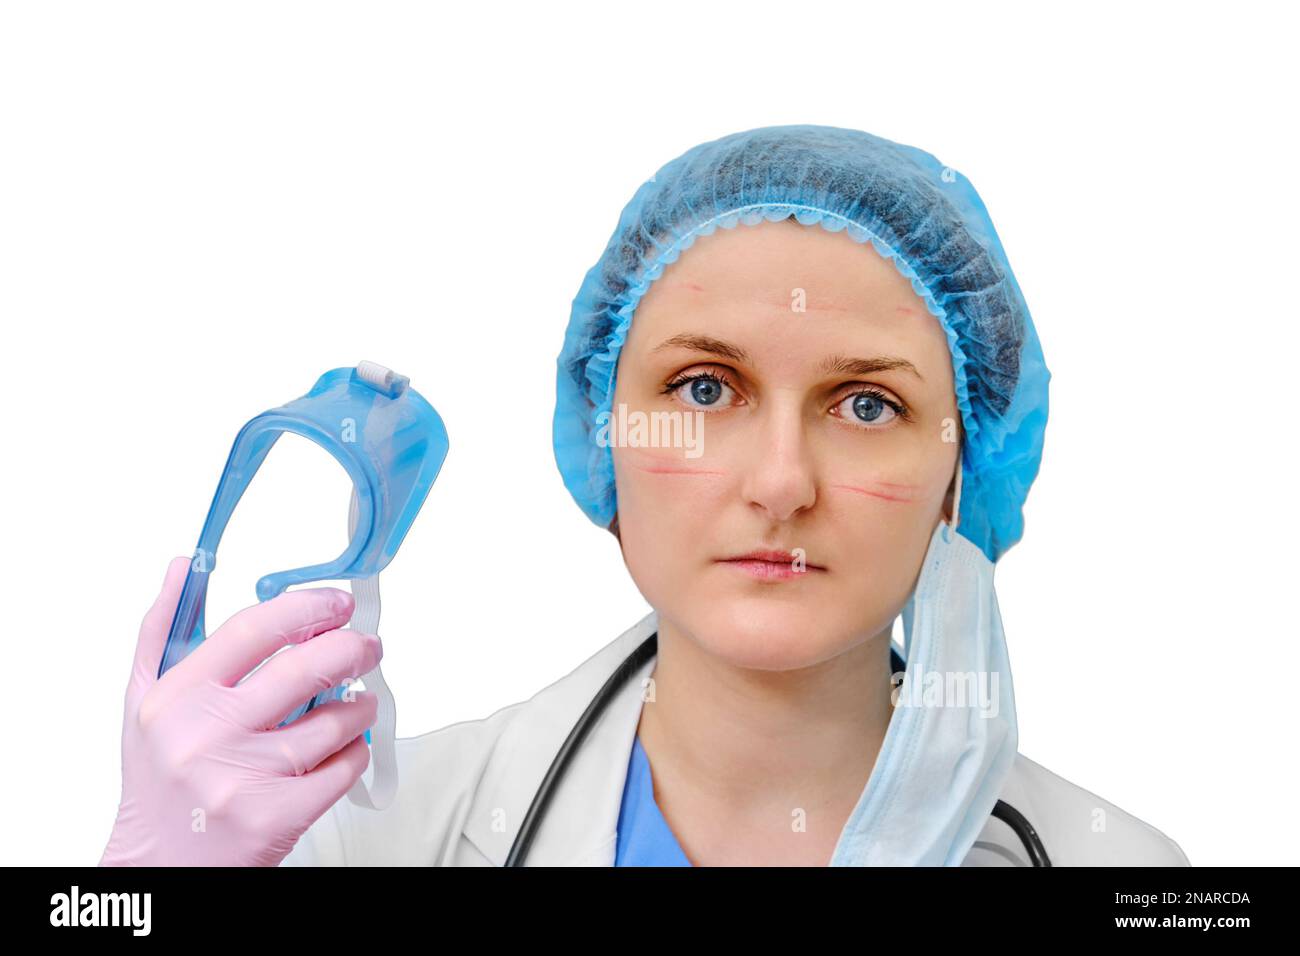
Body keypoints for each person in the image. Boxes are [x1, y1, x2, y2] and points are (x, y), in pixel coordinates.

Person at [101, 125, 1189, 867]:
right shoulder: (377, 834)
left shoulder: (1128, 871)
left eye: (864, 404)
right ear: (604, 434)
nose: (779, 483)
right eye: (704, 388)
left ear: (963, 470)